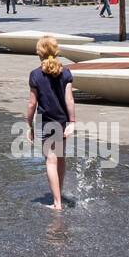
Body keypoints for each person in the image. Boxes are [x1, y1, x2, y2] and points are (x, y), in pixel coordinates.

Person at [26, 36, 76, 211]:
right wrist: (72, 122)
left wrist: (29, 125)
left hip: (46, 121)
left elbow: (32, 103)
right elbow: (69, 100)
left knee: (51, 161)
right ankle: (59, 194)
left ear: (39, 52)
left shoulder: (35, 74)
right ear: (56, 51)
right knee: (60, 158)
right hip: (62, 121)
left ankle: (57, 203)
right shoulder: (65, 72)